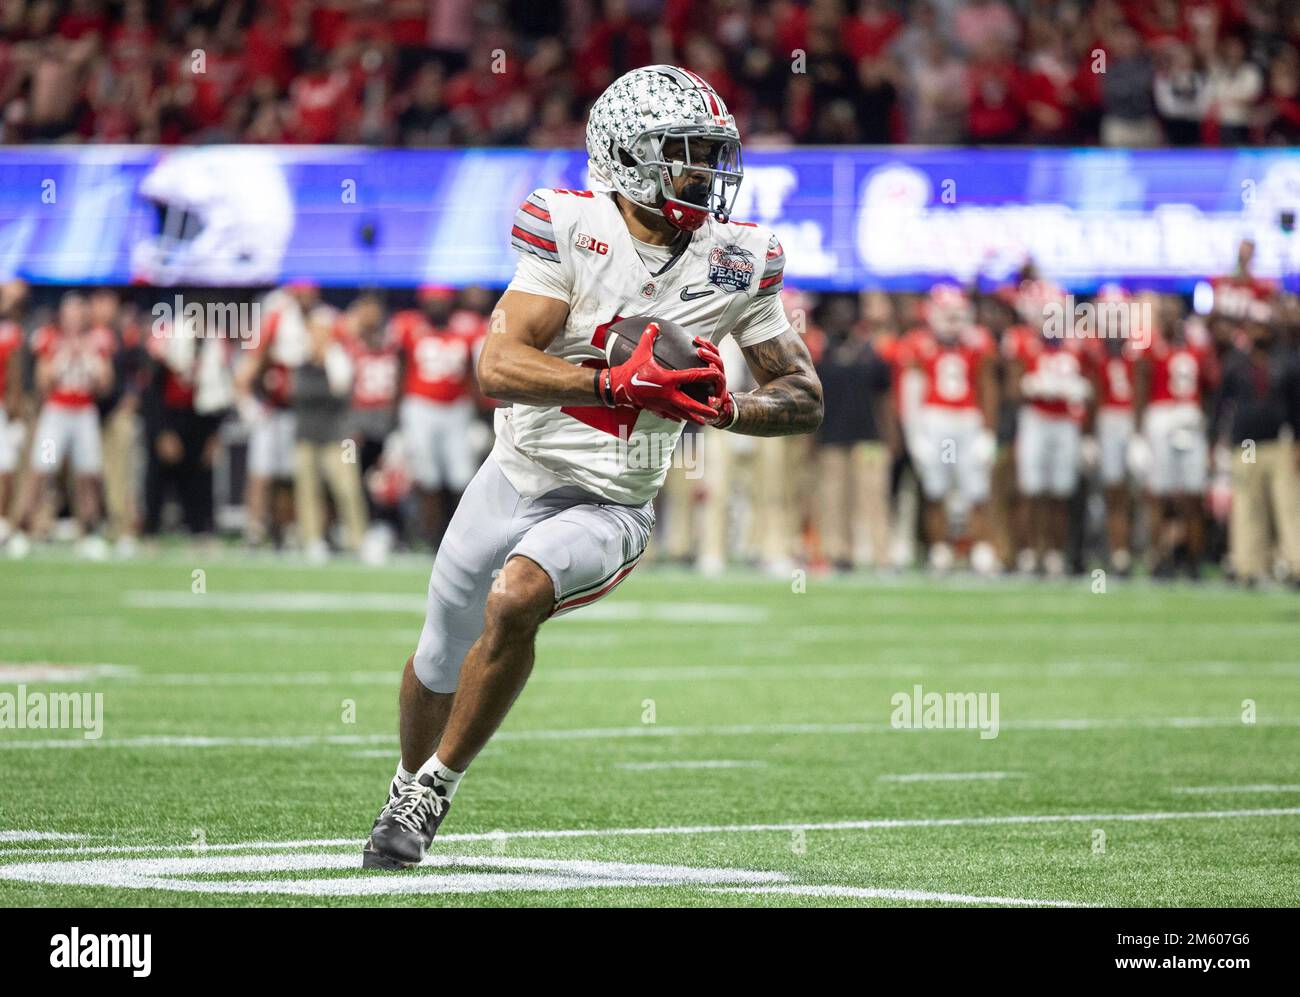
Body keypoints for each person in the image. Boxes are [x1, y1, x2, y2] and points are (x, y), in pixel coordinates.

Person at [362, 65, 823, 870]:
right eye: (686, 153)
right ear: (627, 155)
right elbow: (498, 364)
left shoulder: (741, 258)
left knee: (517, 597)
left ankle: (434, 788)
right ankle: (403, 777)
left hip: (612, 501)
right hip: (514, 470)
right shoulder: (567, 224)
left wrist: (725, 410)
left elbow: (804, 392)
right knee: (439, 649)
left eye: (711, 154)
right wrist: (611, 380)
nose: (705, 173)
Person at [7, 292, 114, 558]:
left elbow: (105, 383)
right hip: (57, 413)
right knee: (41, 470)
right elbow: (43, 382)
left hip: (84, 413)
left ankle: (90, 530)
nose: (75, 318)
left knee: (88, 472)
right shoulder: (50, 338)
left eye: (79, 313)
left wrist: (87, 356)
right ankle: (23, 528)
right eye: (71, 313)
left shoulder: (98, 340)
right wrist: (64, 356)